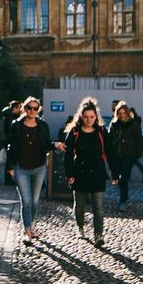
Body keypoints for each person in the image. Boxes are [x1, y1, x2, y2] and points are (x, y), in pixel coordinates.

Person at [5, 96, 66, 245]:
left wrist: (55, 145)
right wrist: (10, 167)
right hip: (21, 168)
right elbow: (11, 147)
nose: (32, 111)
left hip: (38, 167)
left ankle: (30, 227)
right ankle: (27, 232)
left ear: (38, 110)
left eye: (35, 108)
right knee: (26, 201)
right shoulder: (16, 125)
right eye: (29, 108)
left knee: (34, 201)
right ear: (24, 109)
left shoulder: (42, 126)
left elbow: (46, 144)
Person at [62, 98, 118, 248]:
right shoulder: (74, 132)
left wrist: (115, 172)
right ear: (81, 117)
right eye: (86, 117)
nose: (89, 120)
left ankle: (98, 235)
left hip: (98, 173)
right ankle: (80, 227)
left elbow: (110, 152)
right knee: (79, 206)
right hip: (79, 172)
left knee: (98, 207)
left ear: (96, 116)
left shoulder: (101, 131)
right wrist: (69, 175)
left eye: (92, 117)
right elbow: (67, 155)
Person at [108, 101, 143, 210]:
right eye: (120, 113)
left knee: (123, 177)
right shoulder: (114, 124)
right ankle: (125, 197)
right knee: (119, 178)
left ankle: (122, 200)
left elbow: (139, 140)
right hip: (117, 155)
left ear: (127, 113)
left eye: (124, 113)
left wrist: (137, 154)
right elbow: (110, 139)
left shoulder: (133, 124)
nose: (122, 115)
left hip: (129, 154)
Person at [0, 100, 22, 185]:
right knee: (11, 159)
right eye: (19, 107)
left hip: (6, 140)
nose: (20, 109)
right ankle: (8, 179)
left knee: (10, 159)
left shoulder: (7, 115)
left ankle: (8, 178)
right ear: (15, 108)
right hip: (9, 140)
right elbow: (9, 130)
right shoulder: (10, 117)